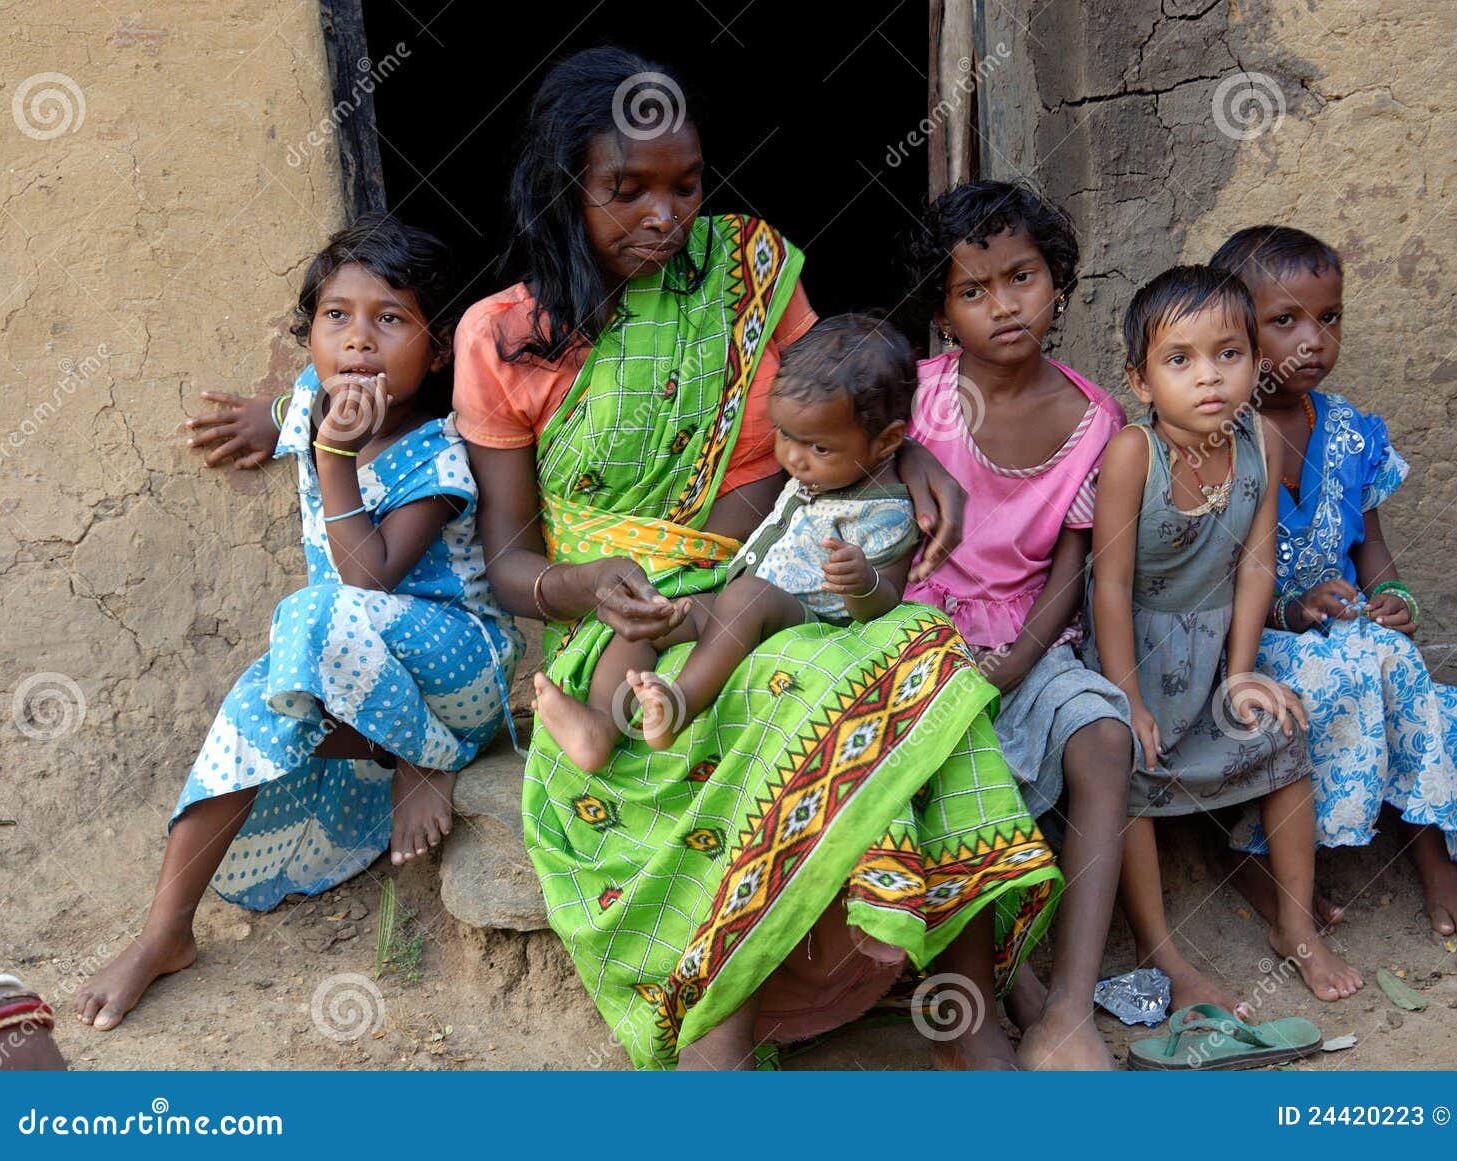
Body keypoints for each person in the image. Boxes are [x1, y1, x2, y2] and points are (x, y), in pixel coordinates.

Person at [453, 47, 1063, 1069]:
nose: (665, 214)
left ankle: (975, 1031)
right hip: (628, 621)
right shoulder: (501, 337)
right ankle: (721, 1036)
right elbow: (510, 563)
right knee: (797, 681)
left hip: (782, 577)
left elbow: (849, 392)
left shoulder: (748, 273)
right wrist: (581, 587)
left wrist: (905, 456)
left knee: (919, 649)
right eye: (627, 190)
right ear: (567, 187)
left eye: (685, 185)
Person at [75, 216, 523, 1031]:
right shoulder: (315, 405)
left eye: (390, 319)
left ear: (438, 347)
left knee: (311, 613)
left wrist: (330, 457)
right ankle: (164, 930)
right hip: (350, 671)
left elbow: (366, 577)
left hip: (463, 670)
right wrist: (269, 416)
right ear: (309, 336)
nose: (358, 342)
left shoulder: (435, 453)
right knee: (254, 705)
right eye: (336, 318)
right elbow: (299, 401)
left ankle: (428, 759)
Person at [1210, 226, 1457, 936]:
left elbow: (1375, 552)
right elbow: (1208, 586)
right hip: (1250, 651)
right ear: (1236, 328)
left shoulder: (1352, 433)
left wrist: (1397, 600)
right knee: (1367, 664)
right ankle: (1256, 854)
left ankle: (1433, 846)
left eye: (1329, 319)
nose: (1313, 340)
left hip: (1349, 642)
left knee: (1385, 651)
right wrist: (1293, 611)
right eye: (1285, 321)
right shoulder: (1218, 439)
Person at [899, 181, 1133, 1069]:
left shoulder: (1092, 420)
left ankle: (1070, 1007)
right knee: (949, 757)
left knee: (1104, 735)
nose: (1004, 304)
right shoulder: (918, 404)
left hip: (1031, 638)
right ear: (942, 312)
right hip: (919, 633)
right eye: (973, 290)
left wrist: (1013, 665)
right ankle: (993, 994)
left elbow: (1068, 574)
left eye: (1023, 276)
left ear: (1059, 281)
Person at [1088, 264, 1364, 1006]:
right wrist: (1127, 694)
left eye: (1229, 354)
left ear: (1252, 362)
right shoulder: (1131, 455)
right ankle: (1161, 947)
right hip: (1132, 656)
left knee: (1282, 733)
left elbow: (1255, 564)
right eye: (1180, 360)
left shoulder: (1262, 446)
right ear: (1141, 382)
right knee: (1126, 760)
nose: (1208, 377)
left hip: (1211, 656)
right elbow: (1108, 586)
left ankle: (1296, 928)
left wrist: (1242, 672)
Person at [533, 315, 925, 767]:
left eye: (817, 447)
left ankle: (677, 706)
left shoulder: (887, 510)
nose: (793, 458)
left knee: (747, 596)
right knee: (657, 618)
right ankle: (599, 726)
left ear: (888, 441)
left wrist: (863, 584)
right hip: (744, 608)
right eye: (784, 435)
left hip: (813, 627)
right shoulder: (827, 467)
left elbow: (886, 605)